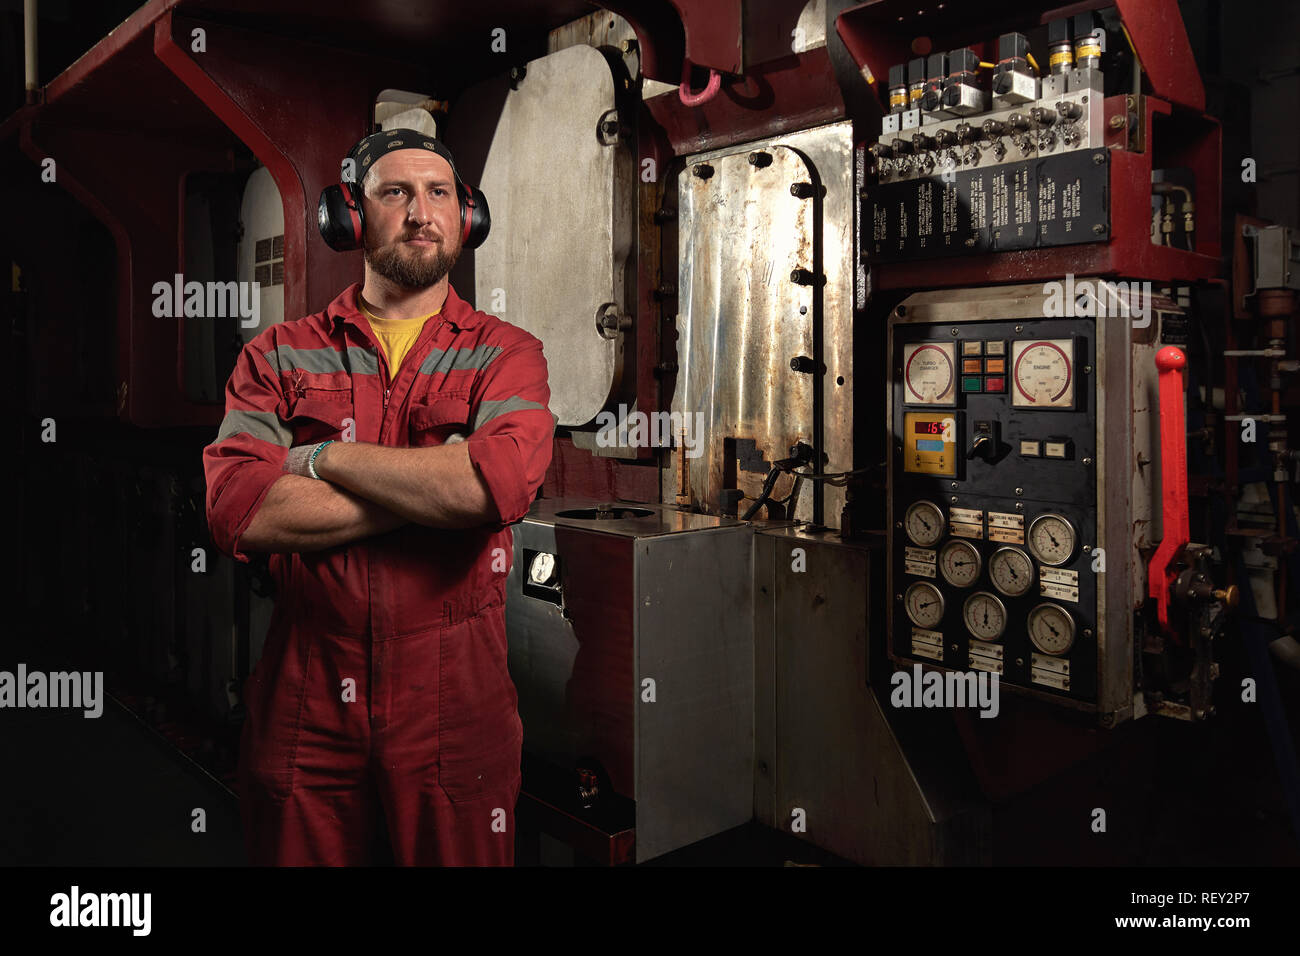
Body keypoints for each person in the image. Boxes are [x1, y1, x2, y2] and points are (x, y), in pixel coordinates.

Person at [202, 129, 554, 865]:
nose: (421, 213)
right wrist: (438, 482)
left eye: (440, 194)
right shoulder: (277, 353)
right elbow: (238, 505)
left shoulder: (506, 352)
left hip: (456, 694)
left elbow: (497, 485)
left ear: (468, 217)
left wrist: (320, 458)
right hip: (308, 687)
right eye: (395, 193)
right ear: (349, 218)